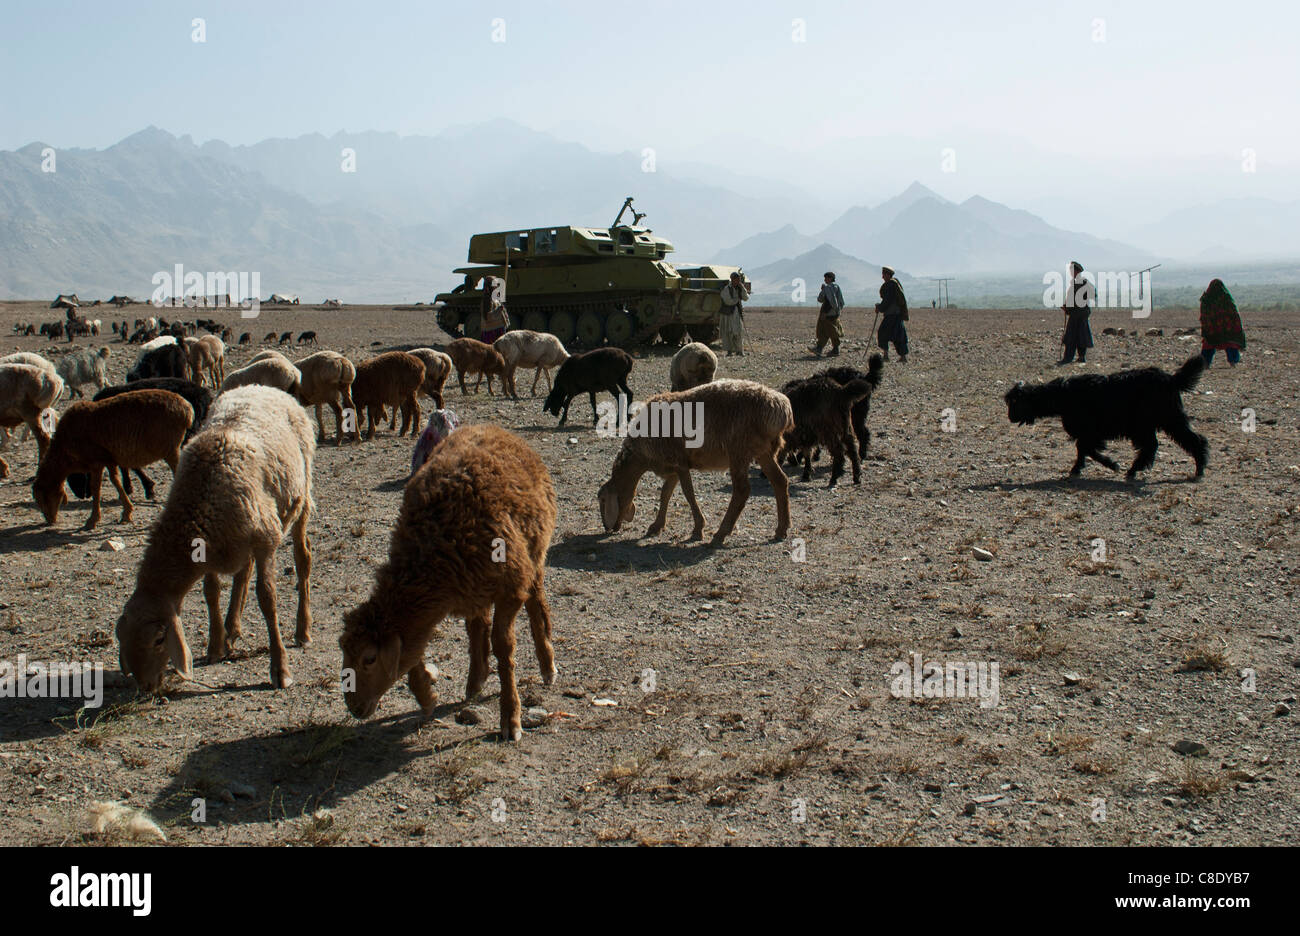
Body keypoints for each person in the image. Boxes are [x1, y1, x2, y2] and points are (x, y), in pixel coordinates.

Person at [1198, 278, 1245, 366]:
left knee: (1209, 344)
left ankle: (1205, 363)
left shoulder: (1206, 299)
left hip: (1212, 329)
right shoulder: (1226, 298)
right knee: (1230, 343)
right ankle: (1233, 361)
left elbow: (1204, 314)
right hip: (1227, 328)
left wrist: (1206, 325)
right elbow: (1234, 313)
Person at [1059, 260, 1092, 364]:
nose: (1070, 272)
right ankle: (1081, 357)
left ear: (1076, 271)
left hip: (1077, 314)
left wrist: (1067, 308)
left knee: (1072, 336)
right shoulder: (1082, 282)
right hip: (1081, 313)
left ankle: (1068, 358)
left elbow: (1073, 300)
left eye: (1072, 270)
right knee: (1081, 335)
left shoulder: (1079, 283)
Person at [875, 266, 908, 362]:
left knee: (883, 333)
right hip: (896, 315)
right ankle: (902, 357)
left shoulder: (890, 285)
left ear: (888, 275)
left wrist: (880, 307)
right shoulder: (894, 284)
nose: (882, 277)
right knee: (899, 335)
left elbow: (887, 301)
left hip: (891, 315)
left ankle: (886, 355)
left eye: (884, 274)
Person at [811, 271, 844, 356]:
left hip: (828, 314)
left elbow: (829, 301)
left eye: (826, 278)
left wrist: (825, 313)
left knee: (825, 331)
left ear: (830, 278)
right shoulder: (837, 287)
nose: (825, 279)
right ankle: (833, 349)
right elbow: (840, 302)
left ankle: (820, 348)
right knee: (832, 331)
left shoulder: (829, 288)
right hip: (835, 314)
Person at [719, 271, 748, 356]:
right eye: (736, 280)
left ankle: (739, 351)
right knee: (728, 332)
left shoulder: (739, 288)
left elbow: (745, 298)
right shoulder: (727, 289)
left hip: (736, 314)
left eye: (738, 280)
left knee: (738, 332)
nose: (737, 281)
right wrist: (737, 300)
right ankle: (729, 351)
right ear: (732, 280)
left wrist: (742, 289)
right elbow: (728, 301)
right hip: (728, 314)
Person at [479, 274, 509, 344]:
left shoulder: (495, 299)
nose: (497, 287)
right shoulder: (487, 300)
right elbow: (487, 317)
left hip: (498, 331)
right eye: (494, 285)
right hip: (491, 333)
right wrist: (499, 310)